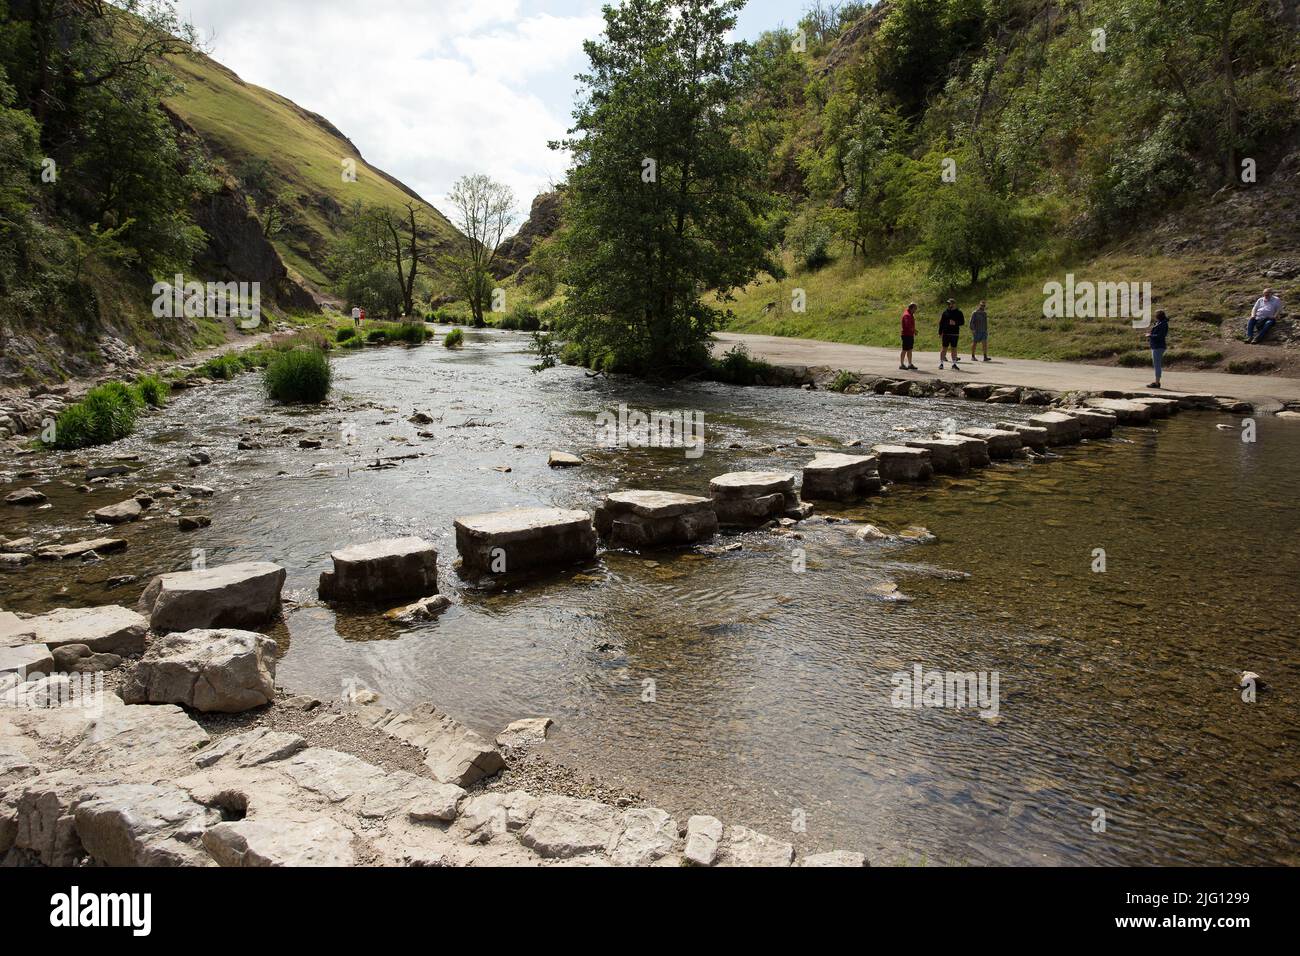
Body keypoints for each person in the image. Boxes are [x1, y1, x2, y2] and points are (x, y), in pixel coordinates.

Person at [938, 298, 964, 370]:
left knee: (954, 349)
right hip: (946, 333)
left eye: (950, 303)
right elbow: (941, 323)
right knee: (944, 348)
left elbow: (962, 322)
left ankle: (954, 364)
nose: (949, 305)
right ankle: (941, 364)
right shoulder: (945, 312)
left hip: (954, 334)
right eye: (948, 304)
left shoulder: (959, 312)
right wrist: (940, 332)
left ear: (954, 304)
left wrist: (955, 323)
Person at [1146, 309, 1169, 389]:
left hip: (1158, 346)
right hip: (1156, 346)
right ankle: (1156, 381)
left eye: (1156, 315)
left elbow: (1160, 336)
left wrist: (1150, 336)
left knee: (1157, 365)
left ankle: (1157, 382)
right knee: (1156, 364)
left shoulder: (1163, 324)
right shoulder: (1160, 323)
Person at [899, 302, 918, 371]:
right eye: (915, 309)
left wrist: (914, 330)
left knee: (910, 349)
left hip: (910, 334)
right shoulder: (907, 315)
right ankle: (902, 364)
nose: (916, 310)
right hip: (906, 335)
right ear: (912, 308)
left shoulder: (910, 314)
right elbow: (907, 325)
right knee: (904, 349)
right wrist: (914, 330)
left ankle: (910, 364)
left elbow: (910, 325)